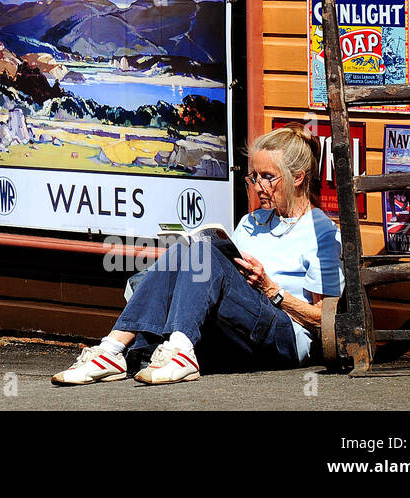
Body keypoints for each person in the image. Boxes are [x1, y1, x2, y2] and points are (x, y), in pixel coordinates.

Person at [52, 124, 344, 385]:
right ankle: (112, 351)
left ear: (297, 178)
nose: (257, 188)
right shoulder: (252, 221)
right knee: (183, 250)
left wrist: (272, 290)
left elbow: (324, 319)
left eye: (268, 178)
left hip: (284, 338)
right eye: (253, 177)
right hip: (239, 327)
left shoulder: (321, 233)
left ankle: (174, 351)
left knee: (206, 254)